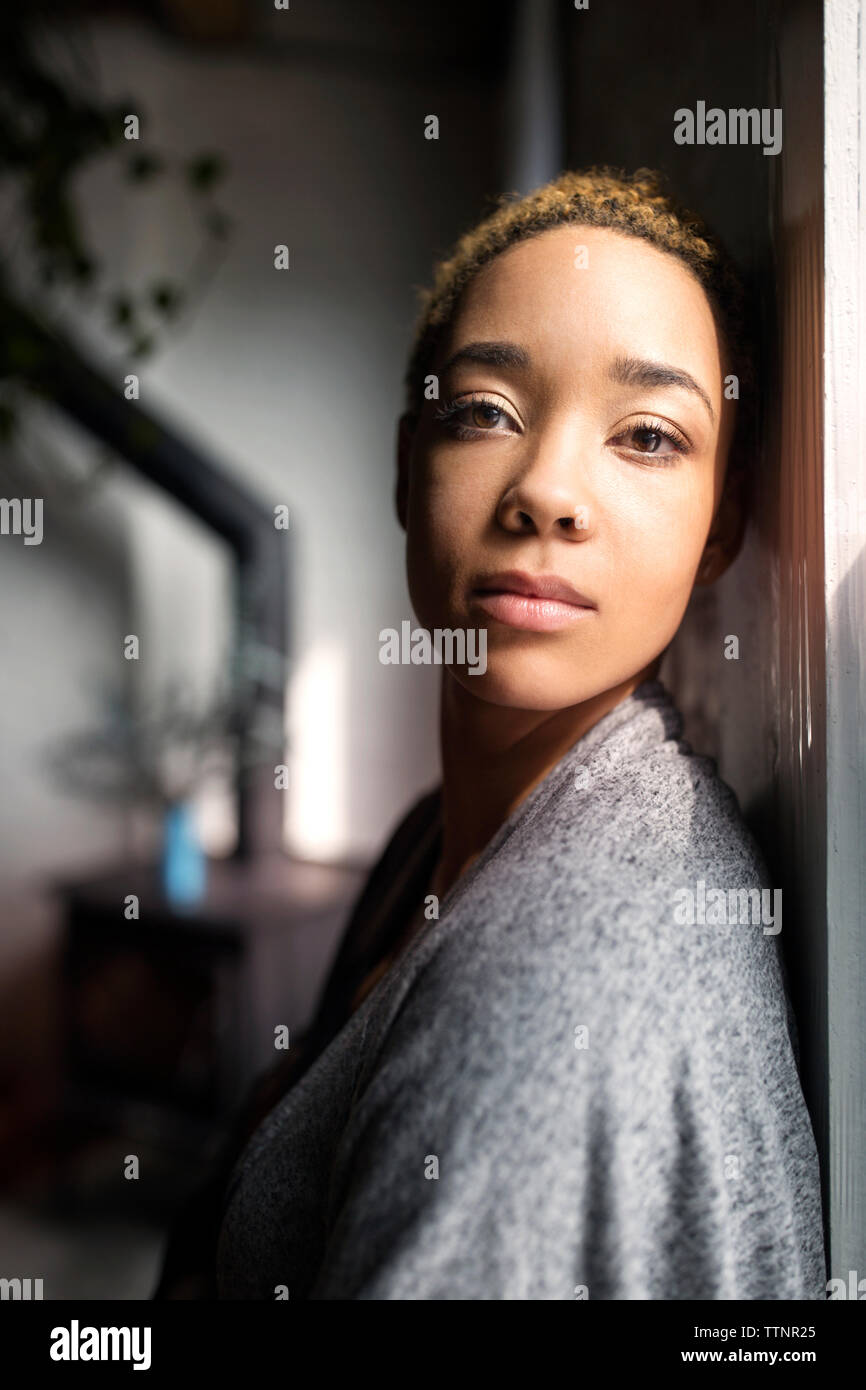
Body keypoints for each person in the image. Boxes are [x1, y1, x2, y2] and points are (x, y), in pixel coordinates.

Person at [153, 166, 827, 1300]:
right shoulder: (435, 838)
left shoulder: (562, 991)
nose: (547, 492)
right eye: (485, 412)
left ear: (722, 531)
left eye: (647, 435)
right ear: (405, 469)